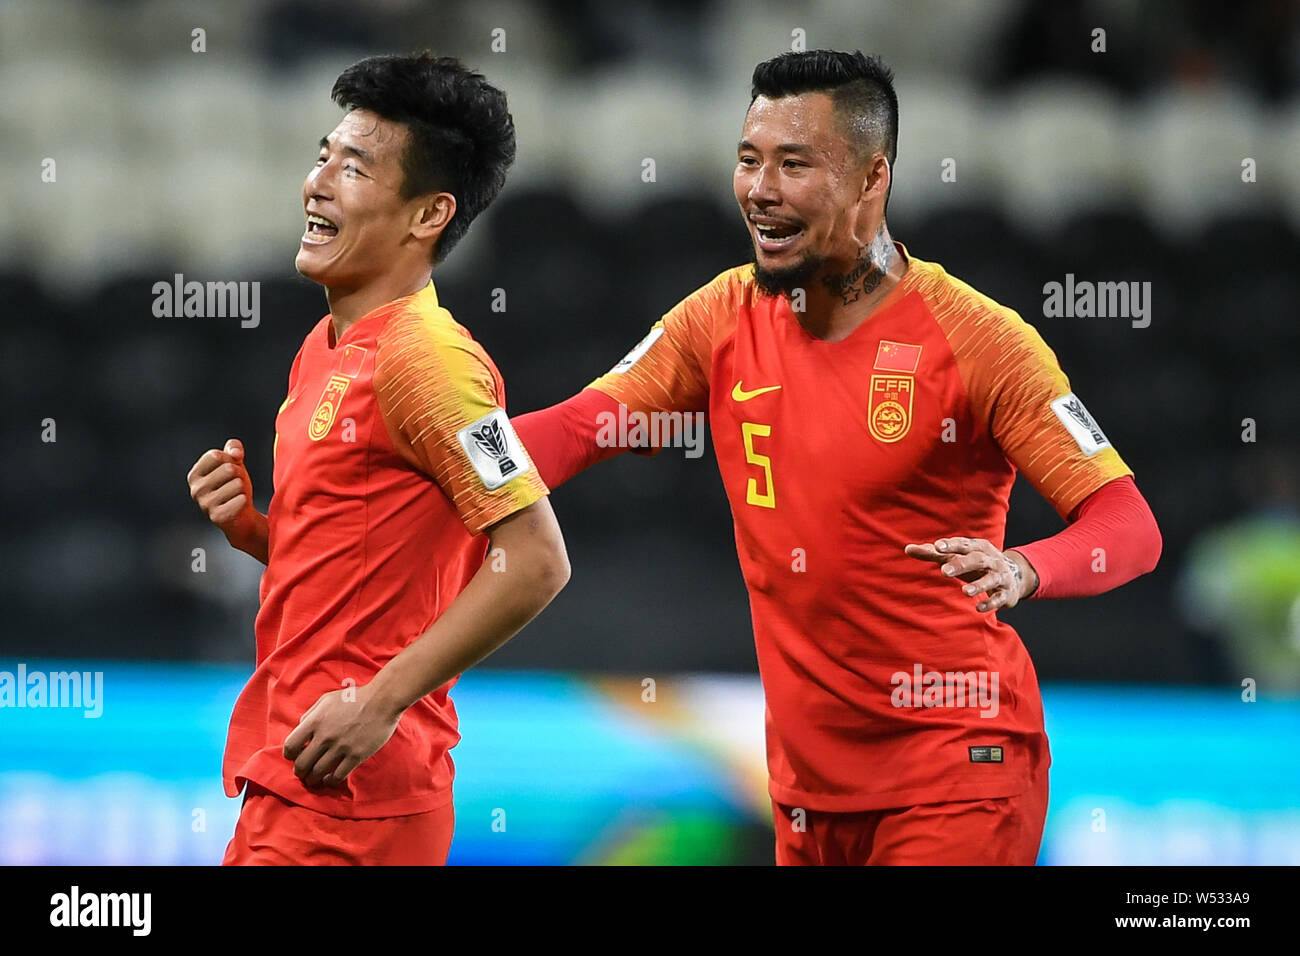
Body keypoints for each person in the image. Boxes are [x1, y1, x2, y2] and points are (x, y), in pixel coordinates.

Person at [513, 50, 1162, 865]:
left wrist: (1025, 569)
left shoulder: (982, 339)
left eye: (794, 164)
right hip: (805, 798)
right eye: (748, 160)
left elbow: (1128, 526)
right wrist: (441, 446)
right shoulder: (723, 316)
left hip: (957, 770)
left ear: (870, 179)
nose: (760, 189)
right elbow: (579, 429)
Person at [185, 52, 569, 865]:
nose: (317, 182)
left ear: (427, 215)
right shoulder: (324, 346)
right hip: (300, 775)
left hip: (353, 799)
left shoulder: (432, 364)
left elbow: (537, 559)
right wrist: (257, 530)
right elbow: (366, 564)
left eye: (352, 167)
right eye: (322, 156)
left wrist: (379, 702)